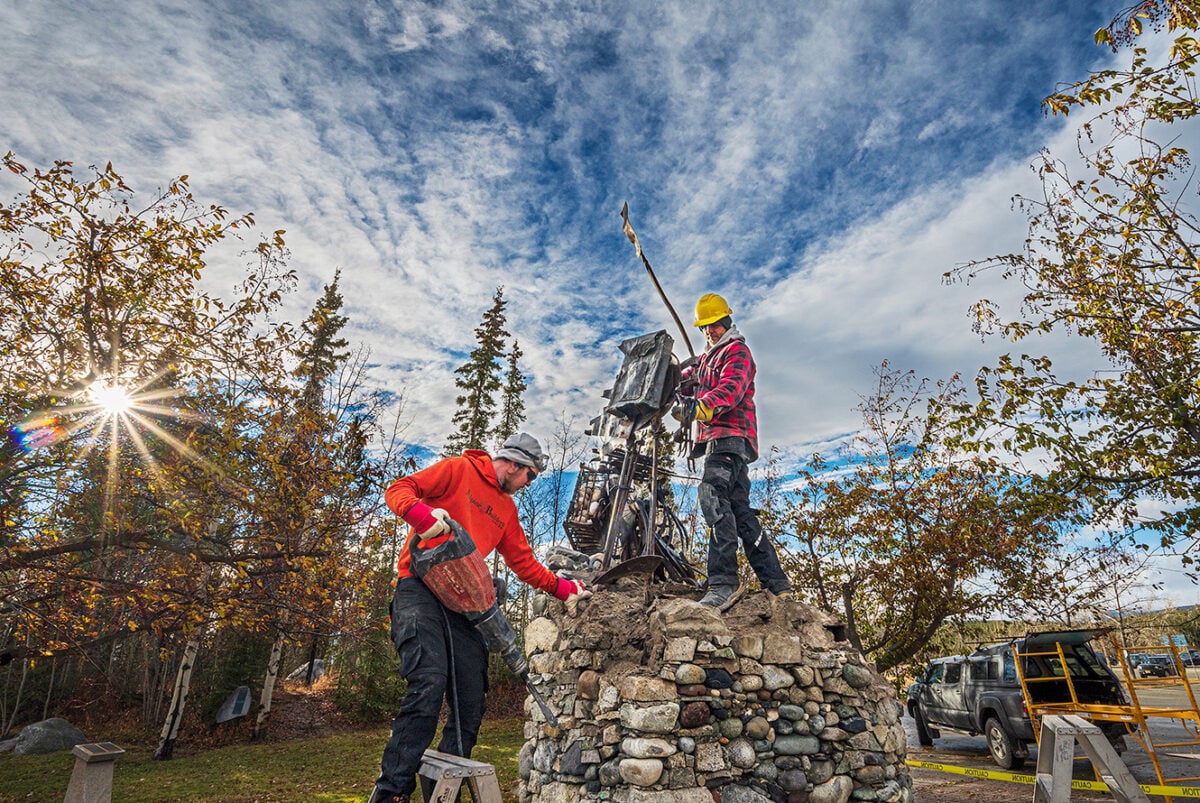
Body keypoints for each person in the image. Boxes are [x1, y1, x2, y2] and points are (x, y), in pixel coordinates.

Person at [369, 432, 587, 803]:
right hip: (419, 590)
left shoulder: (506, 511)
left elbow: (524, 563)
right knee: (428, 682)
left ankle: (442, 795)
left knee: (470, 702)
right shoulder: (459, 470)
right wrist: (422, 517)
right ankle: (391, 792)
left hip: (461, 604)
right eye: (530, 476)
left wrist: (565, 589)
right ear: (515, 464)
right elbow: (399, 489)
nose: (529, 484)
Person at [684, 292, 792, 608]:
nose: (709, 332)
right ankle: (776, 583)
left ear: (726, 322)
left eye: (714, 326)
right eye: (704, 328)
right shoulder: (705, 360)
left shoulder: (737, 352)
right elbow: (683, 381)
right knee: (740, 513)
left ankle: (722, 583)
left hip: (731, 438)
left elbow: (730, 390)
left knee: (712, 497)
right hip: (718, 442)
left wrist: (702, 406)